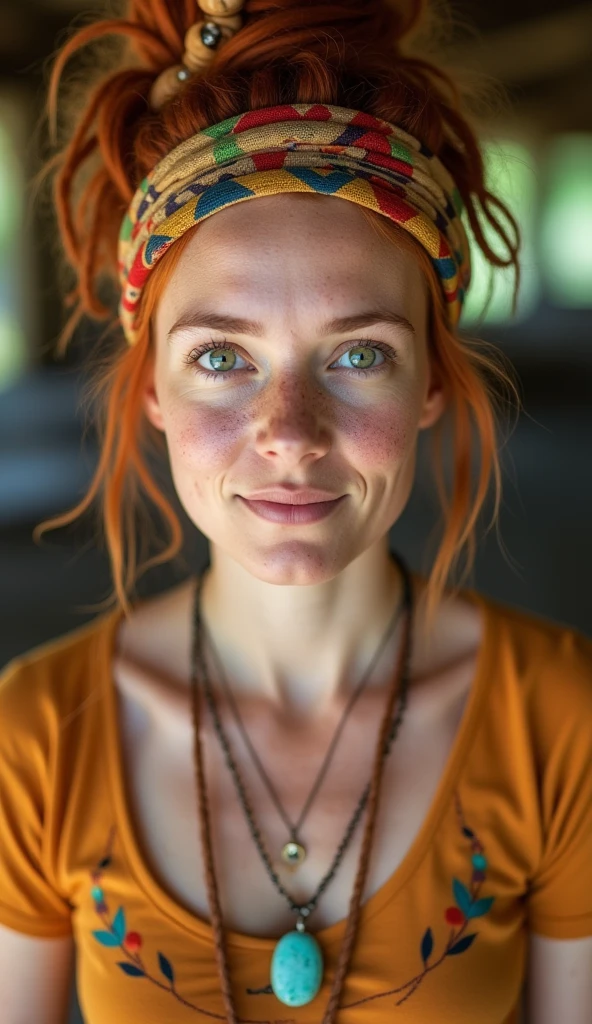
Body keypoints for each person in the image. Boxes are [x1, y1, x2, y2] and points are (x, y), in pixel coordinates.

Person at [0, 0, 591, 1021]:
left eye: (359, 353)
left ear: (430, 388)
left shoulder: (558, 720)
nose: (290, 430)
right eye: (221, 357)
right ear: (152, 392)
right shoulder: (37, 737)